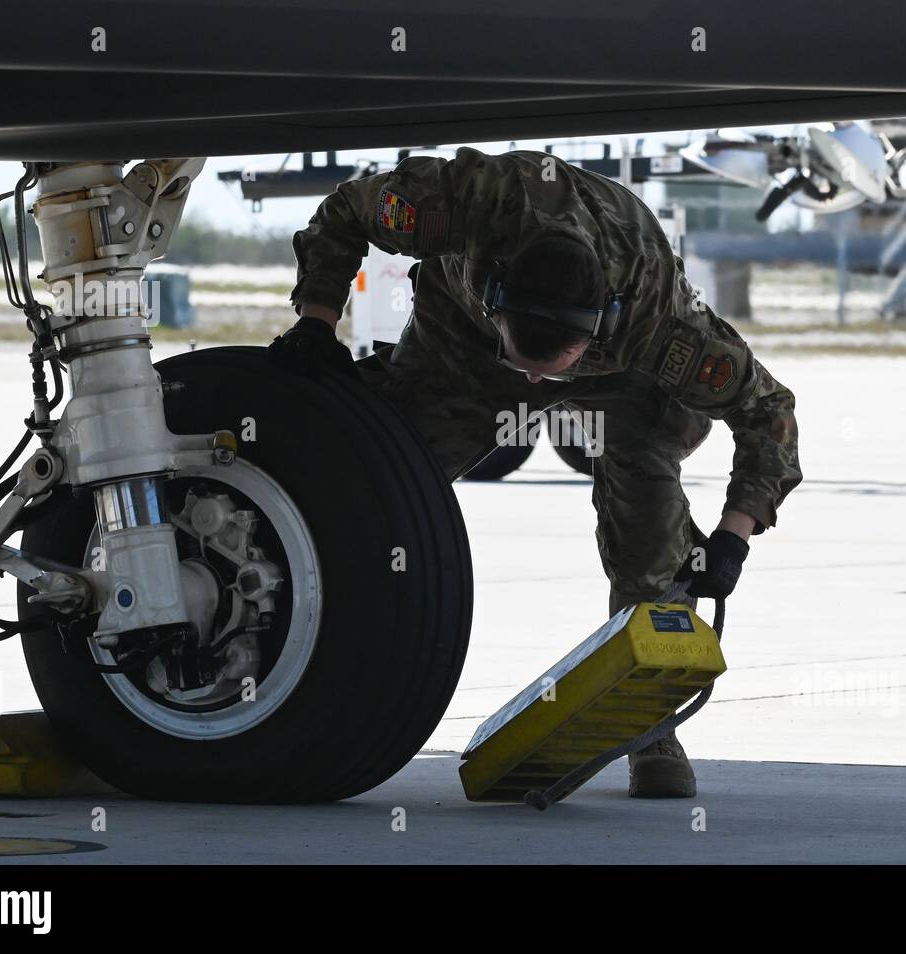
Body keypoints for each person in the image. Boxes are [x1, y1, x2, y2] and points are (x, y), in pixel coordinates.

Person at [271, 147, 802, 797]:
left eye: (548, 365)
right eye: (529, 363)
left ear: (597, 325)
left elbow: (768, 413)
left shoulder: (660, 323)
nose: (536, 383)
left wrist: (731, 538)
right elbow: (344, 213)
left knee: (649, 518)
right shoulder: (463, 204)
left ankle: (650, 724)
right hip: (468, 347)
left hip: (623, 380)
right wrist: (317, 321)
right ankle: (295, 660)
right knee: (377, 485)